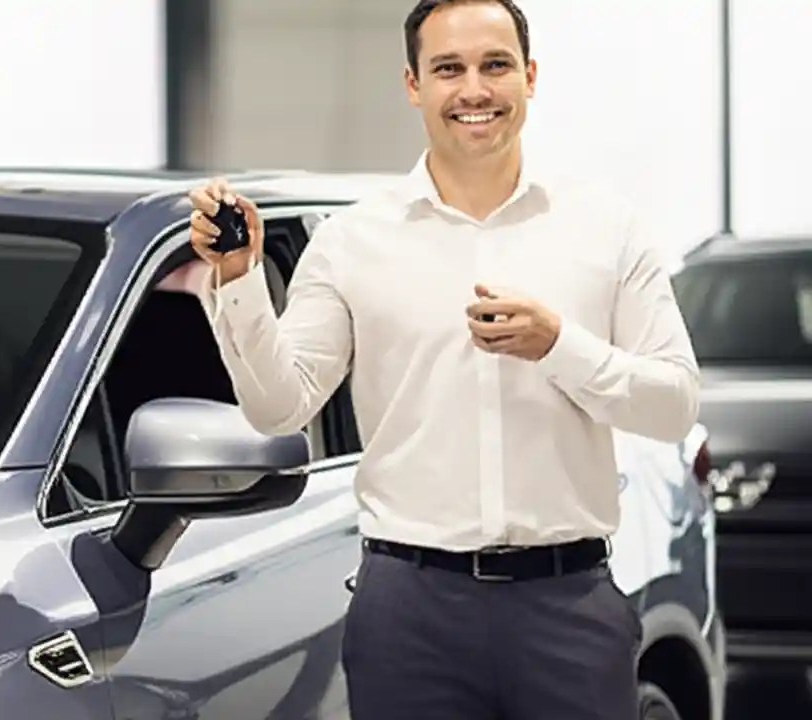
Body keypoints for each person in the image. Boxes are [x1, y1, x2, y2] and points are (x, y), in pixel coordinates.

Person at [185, 0, 701, 718]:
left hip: (569, 604)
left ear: (530, 75)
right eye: (448, 69)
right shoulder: (353, 239)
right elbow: (281, 404)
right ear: (413, 85)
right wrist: (239, 279)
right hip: (411, 611)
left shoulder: (607, 228)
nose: (474, 90)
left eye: (495, 65)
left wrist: (561, 346)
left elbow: (675, 404)